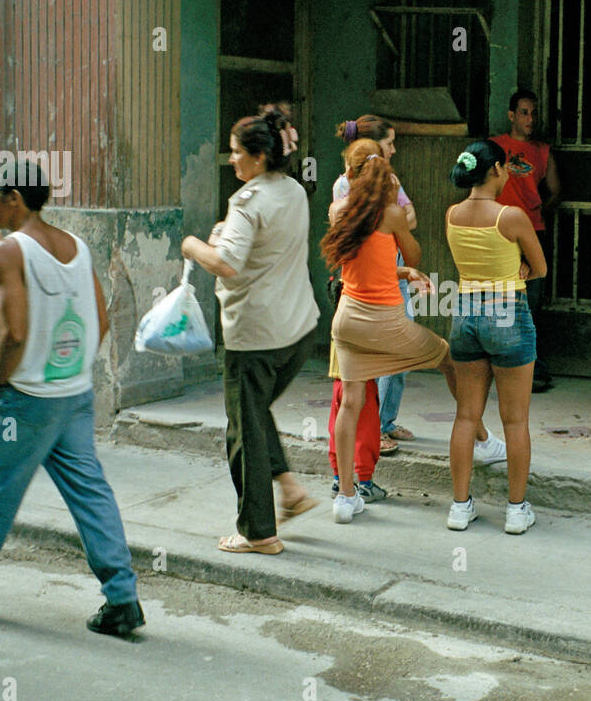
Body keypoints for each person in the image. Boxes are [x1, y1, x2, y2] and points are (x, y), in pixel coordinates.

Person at [0, 159, 144, 636]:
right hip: (72, 394)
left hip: (24, 397)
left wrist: (0, 383)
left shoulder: (8, 252)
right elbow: (100, 320)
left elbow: (13, 331)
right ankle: (122, 598)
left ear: (15, 198)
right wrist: (71, 375)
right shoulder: (76, 246)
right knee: (91, 492)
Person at [322, 154, 505, 525]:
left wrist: (401, 271)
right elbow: (416, 252)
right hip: (386, 322)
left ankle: (345, 497)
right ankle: (482, 440)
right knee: (448, 360)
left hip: (347, 319)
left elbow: (373, 262)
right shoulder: (390, 215)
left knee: (352, 401)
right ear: (387, 182)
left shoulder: (338, 210)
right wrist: (404, 244)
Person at [182, 105, 320, 555]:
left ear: (259, 157)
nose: (231, 159)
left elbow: (227, 264)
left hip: (254, 336)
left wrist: (193, 245)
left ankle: (258, 532)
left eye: (237, 152)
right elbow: (265, 246)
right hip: (297, 331)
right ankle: (291, 489)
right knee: (254, 414)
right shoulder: (293, 191)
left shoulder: (247, 202)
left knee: (243, 430)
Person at [445, 140, 547, 534]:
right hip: (507, 310)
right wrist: (519, 268)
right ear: (497, 170)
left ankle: (459, 507)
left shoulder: (453, 213)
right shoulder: (512, 216)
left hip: (466, 312)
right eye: (505, 169)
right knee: (515, 421)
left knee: (466, 415)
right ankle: (516, 511)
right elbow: (539, 268)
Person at [335, 114, 415, 451]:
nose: (393, 150)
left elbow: (409, 217)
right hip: (369, 280)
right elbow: (393, 222)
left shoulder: (390, 180)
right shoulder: (344, 185)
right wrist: (391, 217)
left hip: (392, 269)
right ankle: (373, 431)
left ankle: (385, 420)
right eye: (389, 143)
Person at [491, 89, 560, 392]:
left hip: (533, 231)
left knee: (531, 302)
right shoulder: (494, 147)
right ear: (511, 115)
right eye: (523, 112)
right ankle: (500, 367)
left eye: (533, 112)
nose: (530, 118)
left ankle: (533, 369)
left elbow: (556, 191)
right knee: (498, 299)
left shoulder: (543, 151)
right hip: (499, 233)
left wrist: (538, 211)